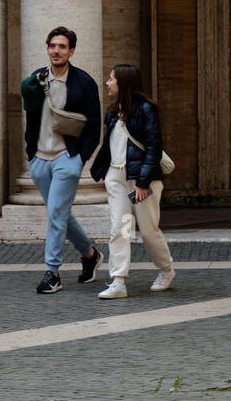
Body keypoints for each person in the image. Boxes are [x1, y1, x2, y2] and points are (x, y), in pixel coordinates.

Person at [20, 26, 104, 294]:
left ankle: (52, 272)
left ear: (71, 51)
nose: (56, 51)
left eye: (62, 47)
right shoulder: (35, 80)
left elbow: (94, 125)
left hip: (67, 157)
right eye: (52, 46)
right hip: (40, 159)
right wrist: (31, 154)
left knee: (55, 213)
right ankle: (90, 255)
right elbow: (30, 117)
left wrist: (79, 158)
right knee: (60, 212)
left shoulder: (84, 82)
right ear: (47, 49)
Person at [91, 62, 175, 300]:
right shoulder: (112, 111)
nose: (107, 83)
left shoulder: (146, 109)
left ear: (123, 83)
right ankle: (118, 281)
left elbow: (153, 148)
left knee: (149, 231)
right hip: (116, 177)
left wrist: (141, 182)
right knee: (120, 228)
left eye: (111, 79)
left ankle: (166, 270)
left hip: (142, 180)